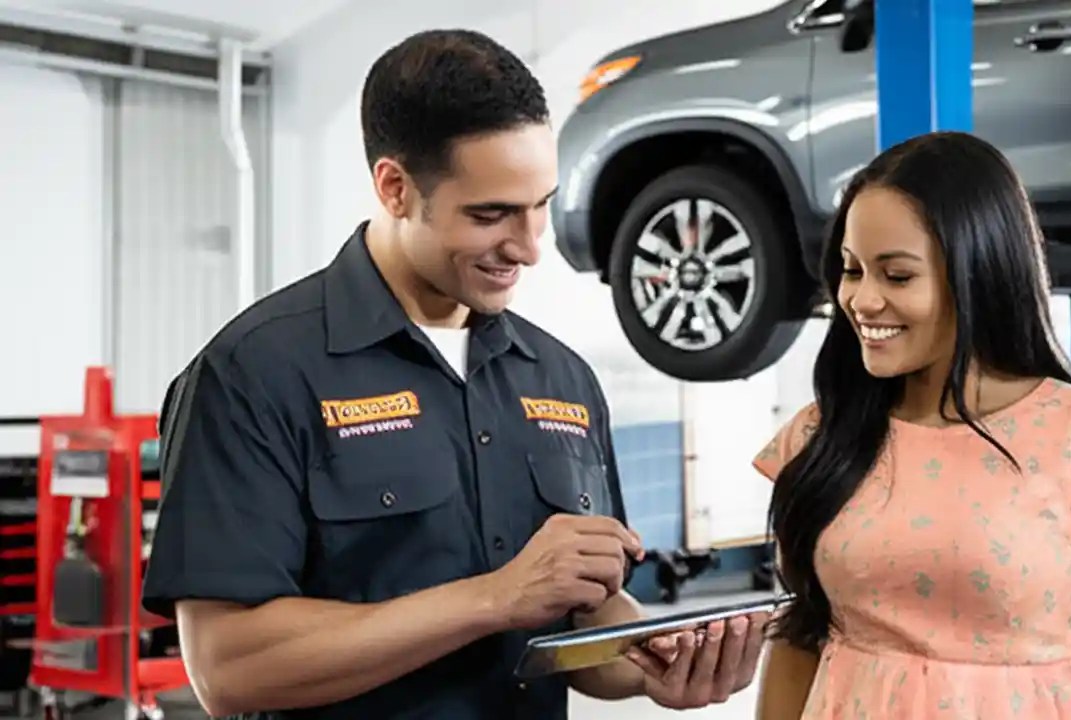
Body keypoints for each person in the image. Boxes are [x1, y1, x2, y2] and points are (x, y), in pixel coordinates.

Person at [141, 29, 767, 719]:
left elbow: (579, 620)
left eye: (540, 206)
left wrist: (653, 664)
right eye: (490, 214)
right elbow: (229, 667)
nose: (528, 248)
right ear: (395, 188)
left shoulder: (562, 379)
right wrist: (495, 597)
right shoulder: (254, 375)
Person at [750, 131, 1071, 719]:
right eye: (852, 270)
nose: (862, 301)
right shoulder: (821, 437)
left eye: (897, 276)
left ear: (978, 273)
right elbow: (799, 638)